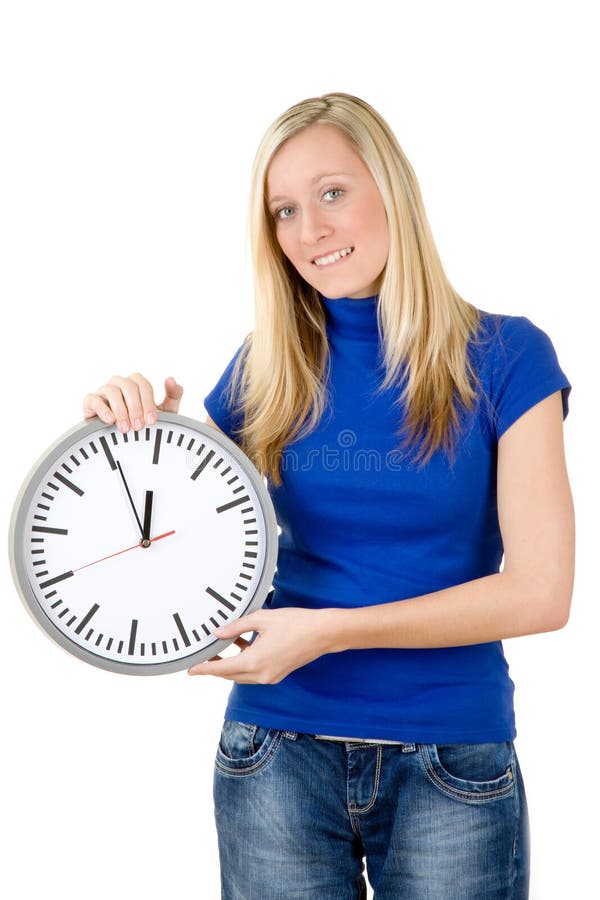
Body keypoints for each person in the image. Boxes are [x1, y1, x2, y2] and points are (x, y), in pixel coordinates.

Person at [83, 92, 574, 899]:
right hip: (275, 755)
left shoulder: (506, 357)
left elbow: (541, 593)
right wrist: (140, 433)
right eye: (283, 210)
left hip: (451, 763)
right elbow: (170, 539)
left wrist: (327, 633)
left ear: (392, 189)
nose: (309, 231)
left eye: (332, 193)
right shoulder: (264, 367)